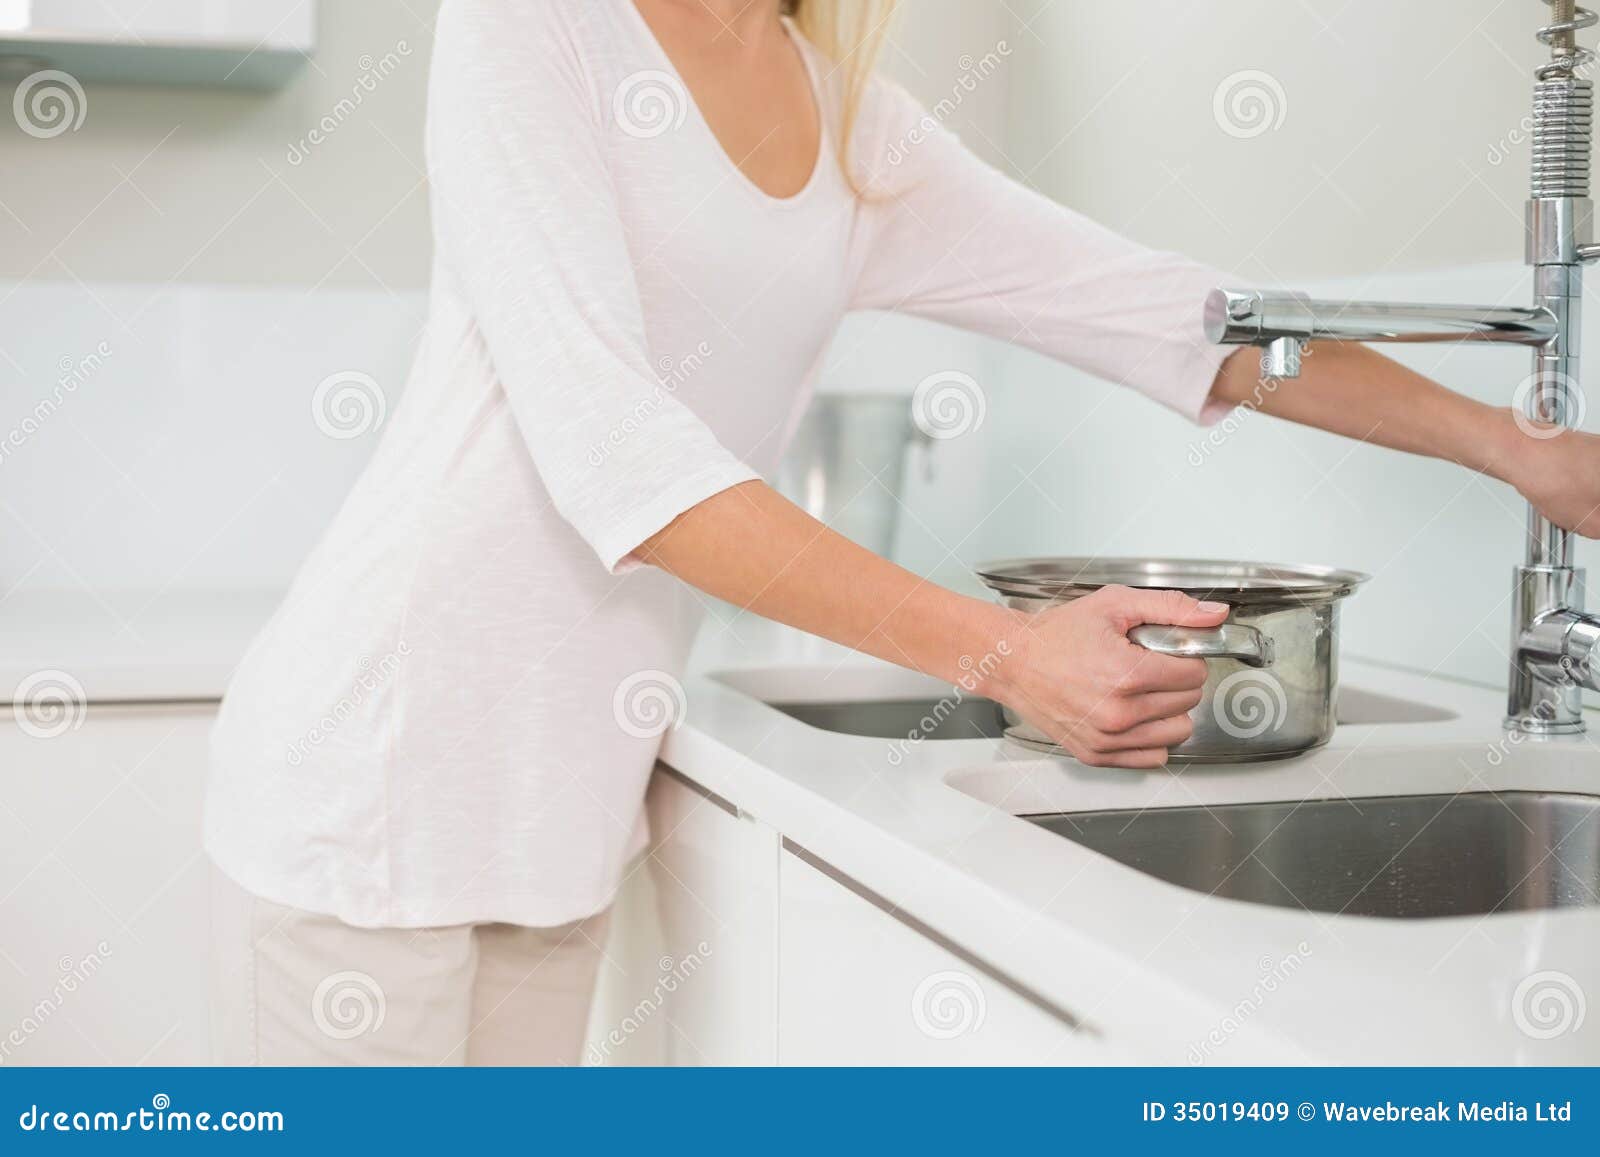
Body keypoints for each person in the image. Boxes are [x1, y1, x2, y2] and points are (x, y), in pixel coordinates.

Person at [203, 0, 1600, 1064]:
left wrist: (1520, 450)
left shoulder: (846, 118)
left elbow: (1172, 316)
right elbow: (619, 458)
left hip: (557, 804)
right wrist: (1010, 654)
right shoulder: (534, 26)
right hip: (378, 771)